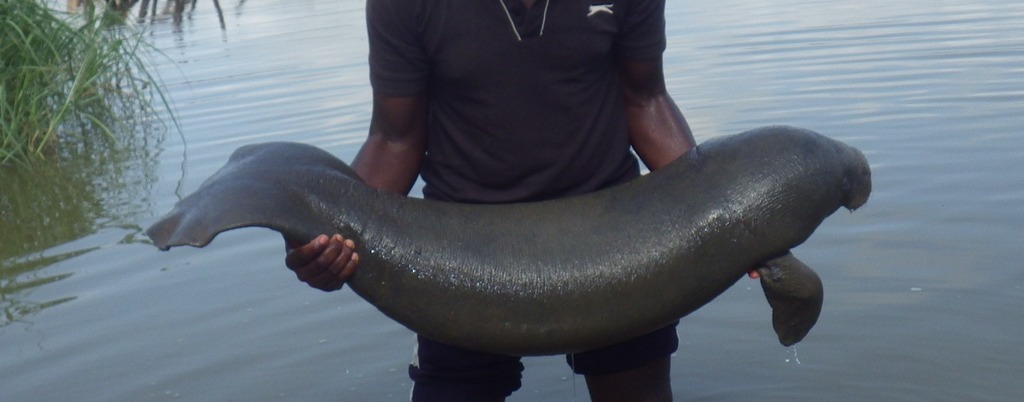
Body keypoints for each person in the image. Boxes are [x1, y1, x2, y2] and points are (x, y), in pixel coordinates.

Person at [285, 1, 750, 401]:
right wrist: (336, 239)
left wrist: (725, 214)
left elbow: (646, 99)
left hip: (615, 244)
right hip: (461, 256)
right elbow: (395, 137)